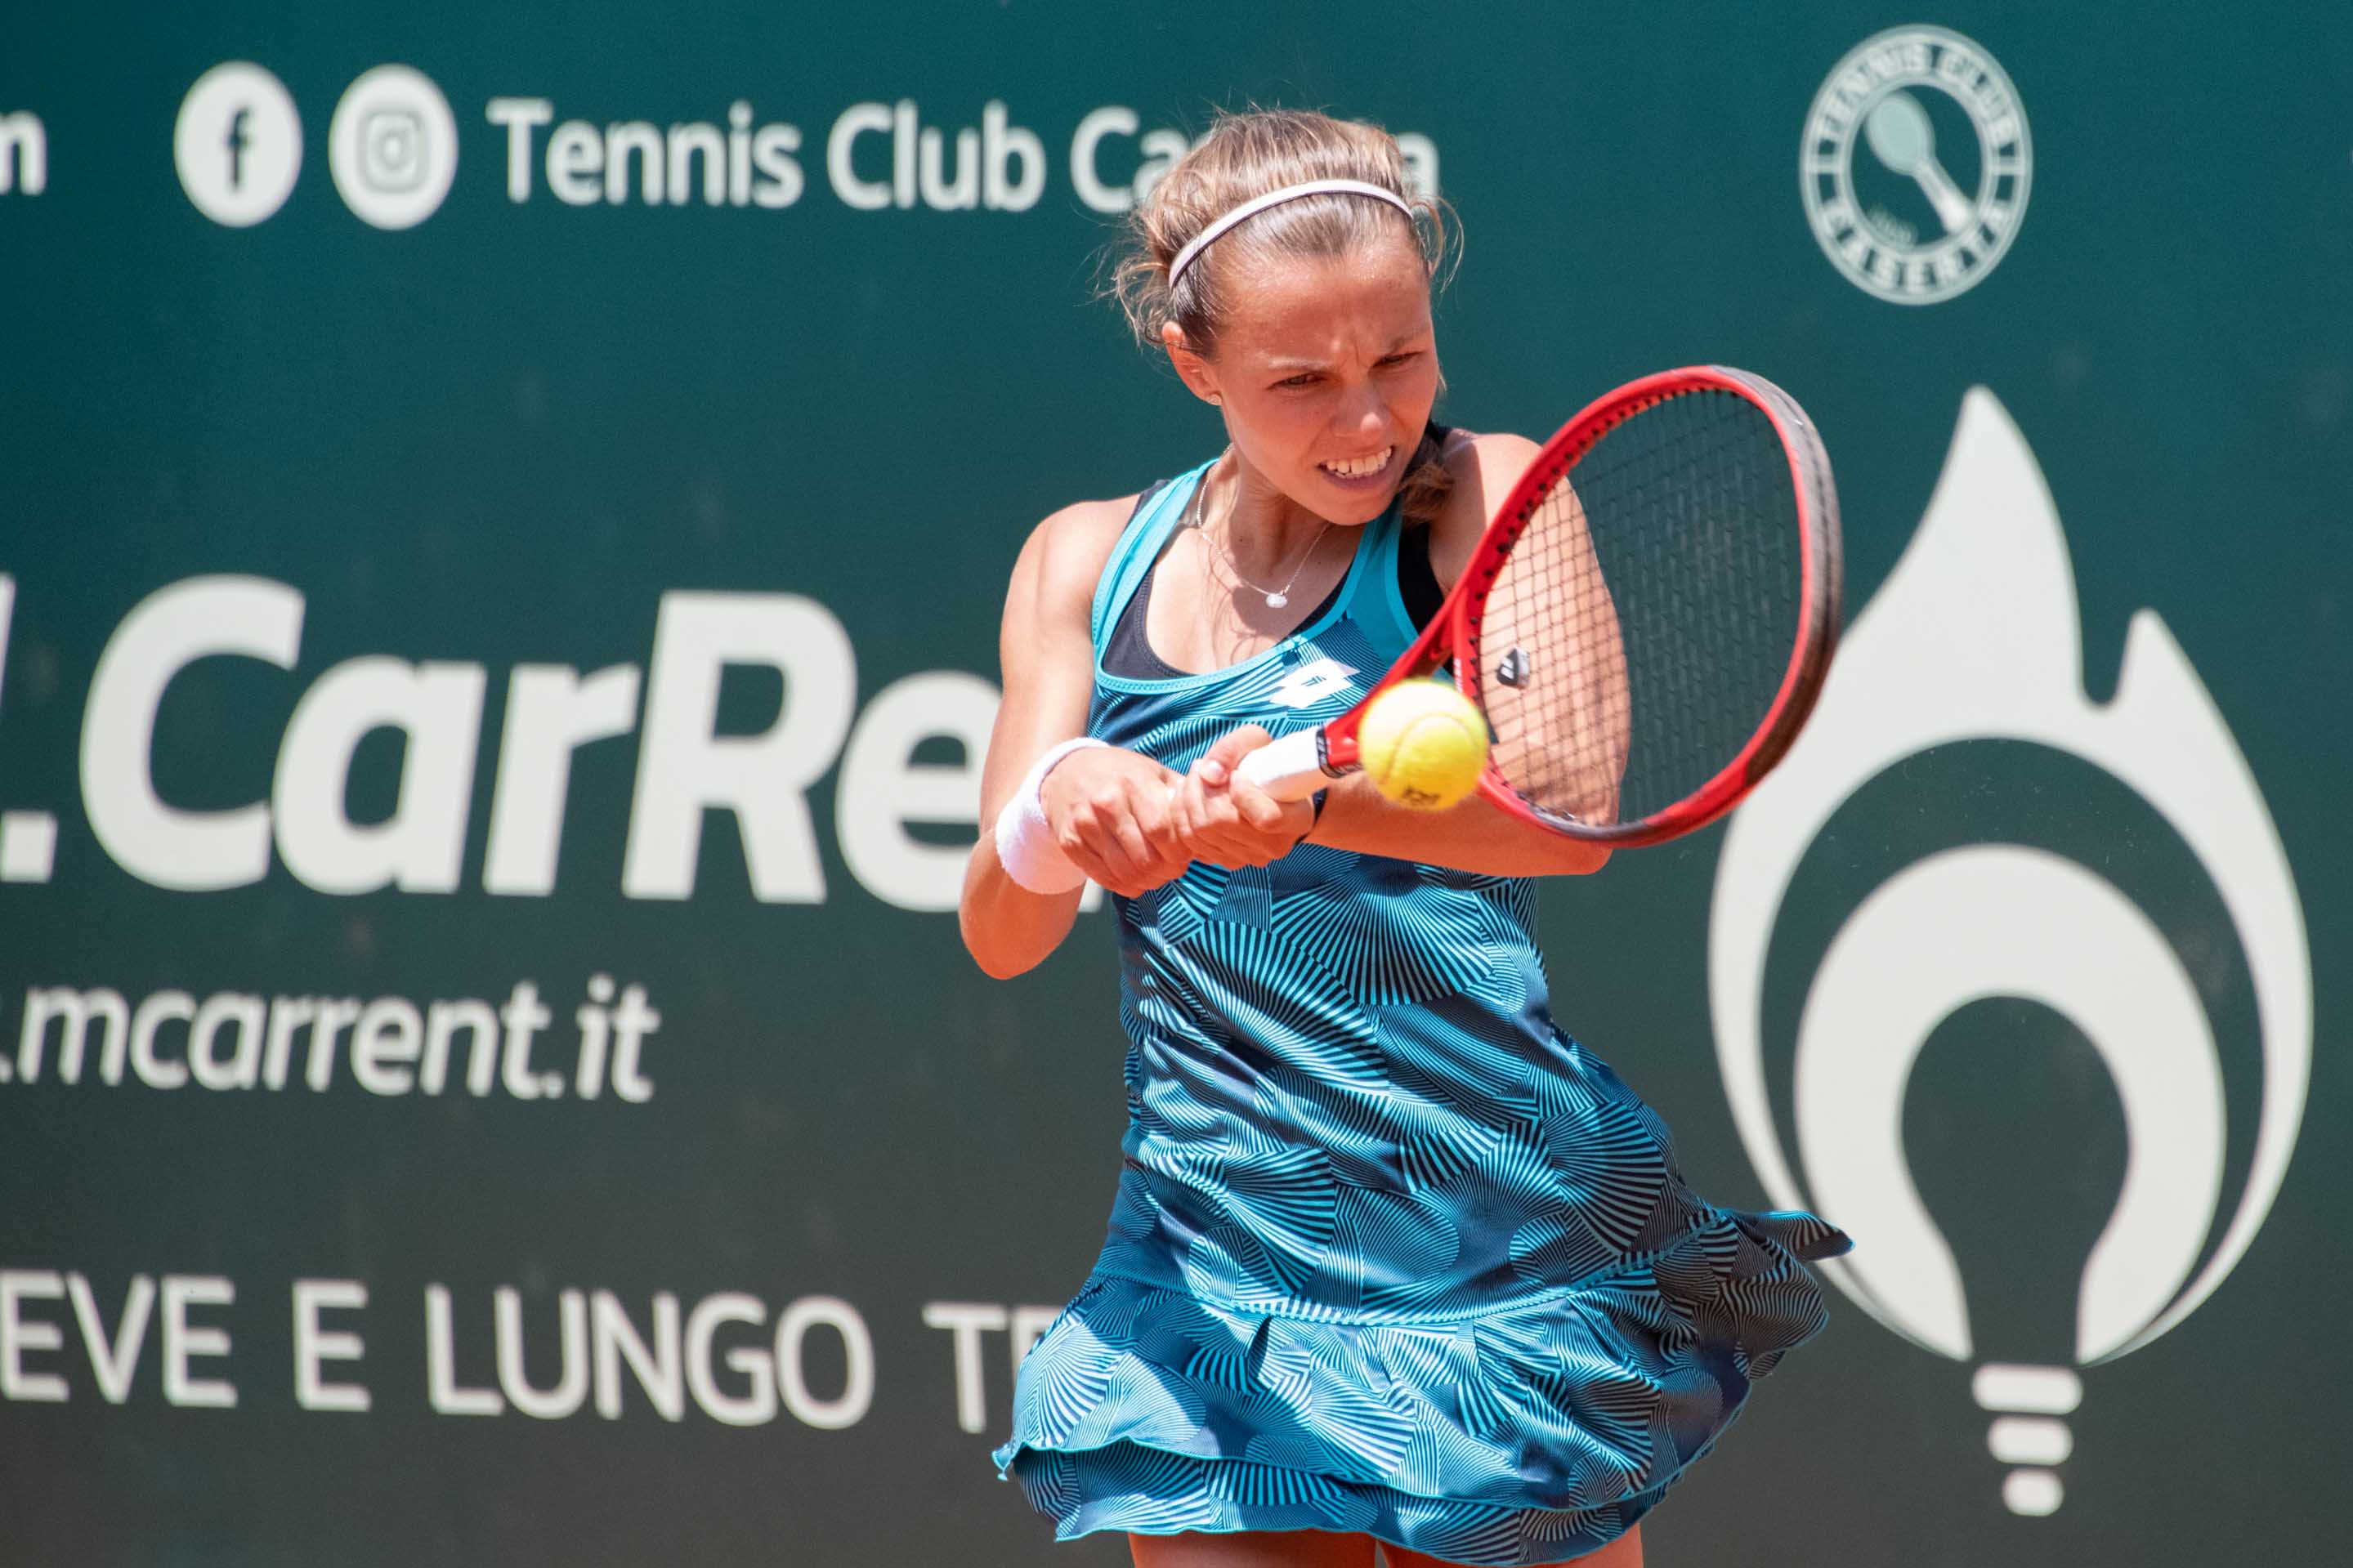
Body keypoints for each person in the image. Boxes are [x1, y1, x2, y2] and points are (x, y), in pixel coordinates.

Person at [960, 108, 1849, 1568]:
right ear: (1197, 367)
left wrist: (1315, 799)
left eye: (1401, 359)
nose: (1369, 423)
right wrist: (1059, 812)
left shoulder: (1484, 496)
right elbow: (999, 934)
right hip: (1215, 1256)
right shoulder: (1078, 562)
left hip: (1491, 1243)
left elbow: (1567, 820)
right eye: (1302, 379)